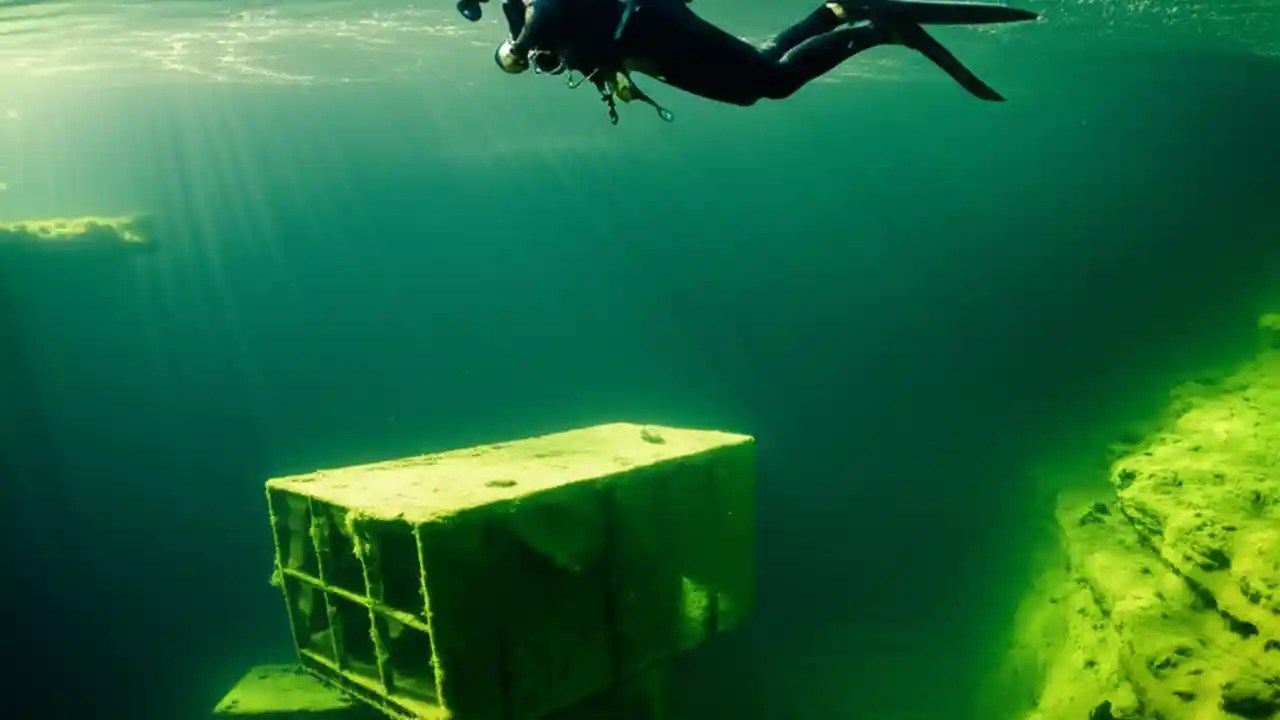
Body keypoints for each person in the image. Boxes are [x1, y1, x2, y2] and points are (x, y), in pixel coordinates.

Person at [458, 0, 1039, 123]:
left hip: (658, 34)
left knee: (766, 85)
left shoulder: (540, 16)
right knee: (757, 71)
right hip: (653, 36)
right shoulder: (530, 12)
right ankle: (837, 12)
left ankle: (876, 28)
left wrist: (515, 51)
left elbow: (525, 46)